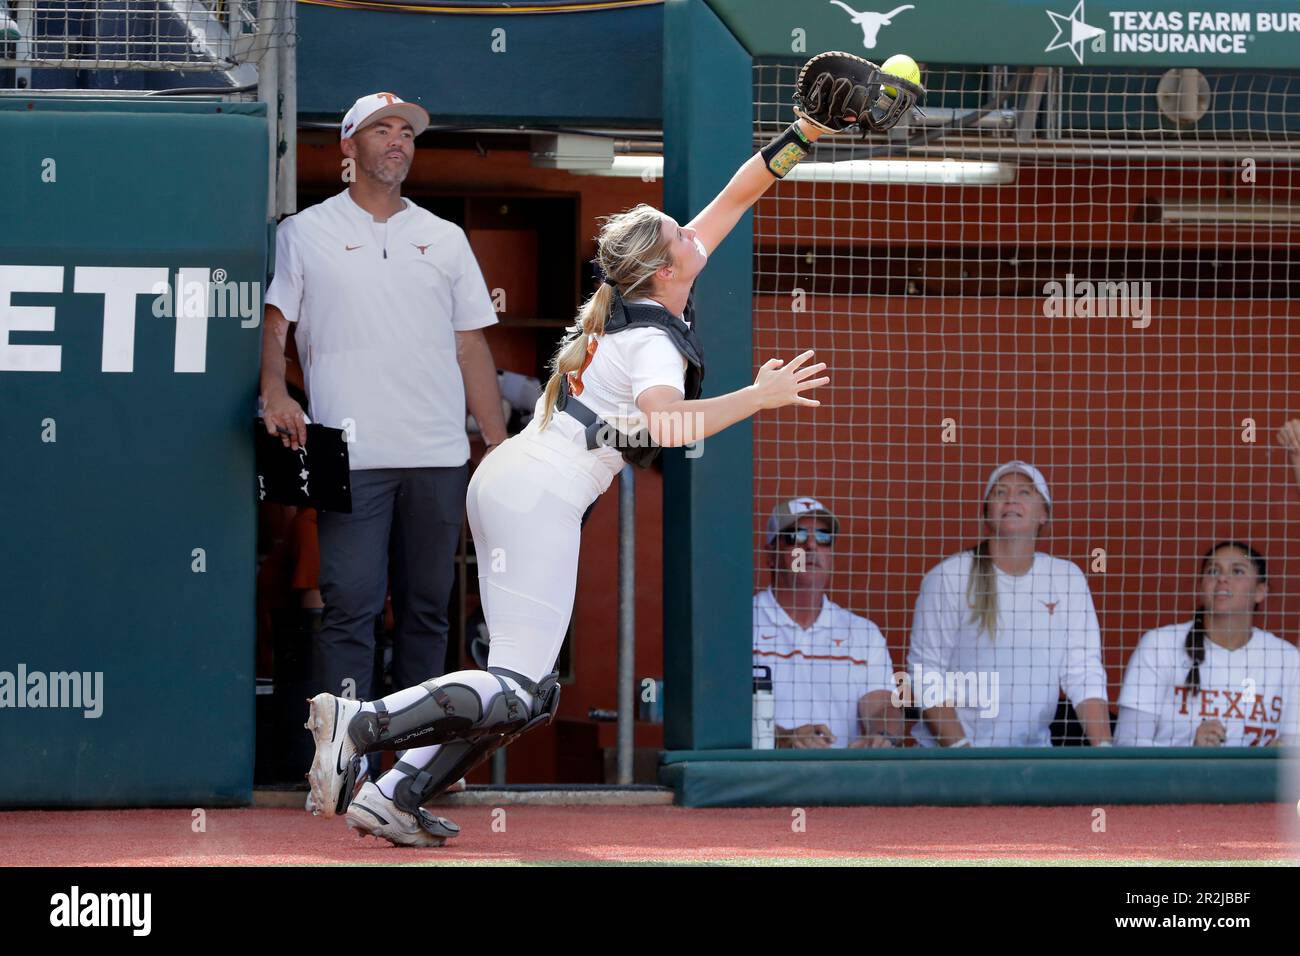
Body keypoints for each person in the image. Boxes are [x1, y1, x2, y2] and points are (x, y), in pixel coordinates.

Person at [300, 55, 894, 846]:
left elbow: (739, 194)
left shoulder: (655, 291)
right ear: (658, 265)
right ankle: (361, 721)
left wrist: (807, 132)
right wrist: (759, 396)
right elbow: (668, 429)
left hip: (525, 486)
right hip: (536, 497)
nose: (695, 232)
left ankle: (397, 792)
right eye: (681, 233)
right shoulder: (651, 338)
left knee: (531, 694)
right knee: (517, 686)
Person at [260, 92, 509, 764]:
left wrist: (500, 446)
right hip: (351, 456)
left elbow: (471, 348)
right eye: (382, 130)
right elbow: (275, 321)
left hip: (438, 455)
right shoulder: (303, 232)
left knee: (429, 614)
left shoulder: (446, 237)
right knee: (350, 612)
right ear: (349, 146)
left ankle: (416, 767)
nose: (398, 142)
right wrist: (275, 389)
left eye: (407, 133)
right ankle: (343, 760)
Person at [906, 461, 1112, 747]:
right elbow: (926, 671)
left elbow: (1083, 671)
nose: (1012, 499)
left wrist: (1104, 748)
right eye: (1000, 492)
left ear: (1044, 515)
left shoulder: (1068, 579)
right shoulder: (947, 577)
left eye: (1025, 492)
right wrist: (961, 754)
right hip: (950, 763)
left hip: (1031, 761)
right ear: (988, 512)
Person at [1115, 541, 1298, 747]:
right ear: (1201, 587)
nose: (1222, 578)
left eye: (1237, 571)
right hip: (1173, 780)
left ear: (1260, 591)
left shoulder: (1287, 659)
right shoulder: (1159, 646)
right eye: (1213, 571)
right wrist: (1192, 753)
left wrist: (1277, 756)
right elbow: (1127, 742)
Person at [753, 498, 899, 748]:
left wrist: (882, 736)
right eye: (797, 536)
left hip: (841, 782)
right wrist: (782, 738)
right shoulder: (739, 626)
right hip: (761, 779)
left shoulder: (863, 633)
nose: (811, 545)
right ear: (771, 556)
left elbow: (881, 706)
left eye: (823, 537)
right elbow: (720, 713)